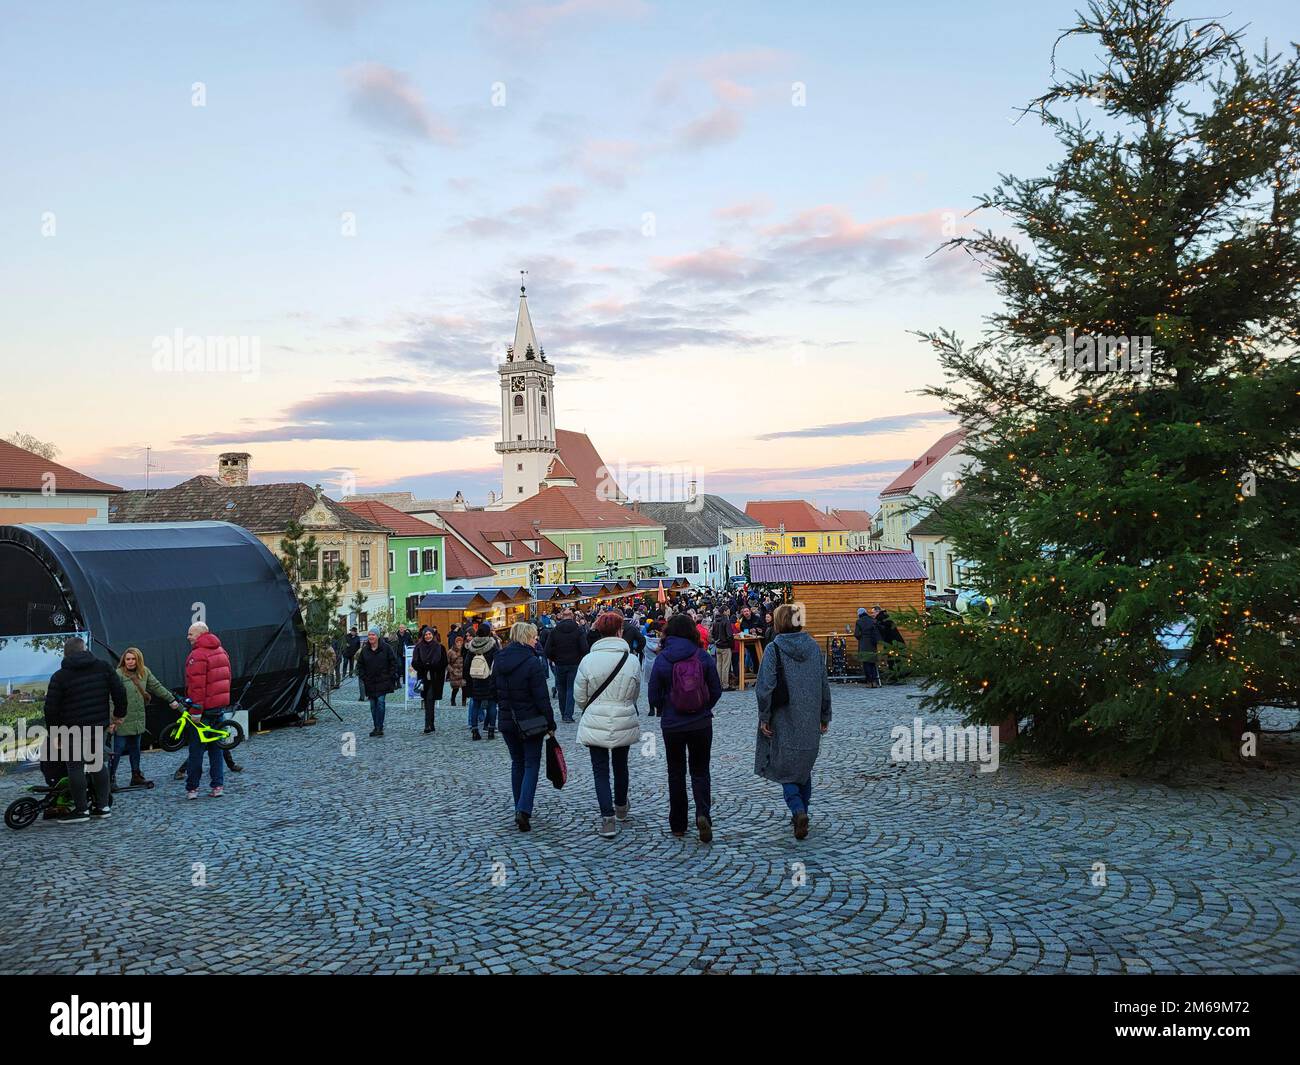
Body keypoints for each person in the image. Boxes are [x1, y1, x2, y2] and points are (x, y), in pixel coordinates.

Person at [755, 603, 832, 840]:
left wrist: (764, 717)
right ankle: (803, 812)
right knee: (803, 769)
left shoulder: (773, 649)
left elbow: (765, 687)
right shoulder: (813, 647)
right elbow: (823, 683)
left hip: (783, 718)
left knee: (787, 770)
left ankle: (798, 811)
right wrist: (824, 714)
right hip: (809, 718)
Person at [648, 613, 722, 841]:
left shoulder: (663, 658)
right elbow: (716, 689)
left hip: (673, 725)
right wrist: (703, 705)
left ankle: (678, 823)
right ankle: (703, 815)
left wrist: (666, 708)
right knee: (700, 771)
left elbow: (653, 694)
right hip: (700, 723)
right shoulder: (701, 656)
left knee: (675, 772)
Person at [43, 636, 127, 822]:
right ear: (85, 649)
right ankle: (103, 807)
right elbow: (120, 691)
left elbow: (51, 708)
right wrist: (119, 714)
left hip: (71, 729)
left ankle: (81, 810)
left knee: (75, 767)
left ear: (66, 654)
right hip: (98, 725)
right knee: (97, 764)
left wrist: (55, 733)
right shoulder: (104, 667)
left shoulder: (60, 676)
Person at [575, 612, 643, 838]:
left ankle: (607, 819)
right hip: (623, 714)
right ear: (619, 631)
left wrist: (590, 708)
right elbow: (635, 693)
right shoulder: (631, 660)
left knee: (600, 769)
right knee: (621, 765)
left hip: (596, 716)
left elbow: (580, 696)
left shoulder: (587, 660)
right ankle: (621, 806)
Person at [493, 621, 555, 832]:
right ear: (526, 638)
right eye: (534, 637)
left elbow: (496, 691)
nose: (536, 640)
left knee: (517, 763)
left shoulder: (499, 660)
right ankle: (524, 809)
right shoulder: (531, 662)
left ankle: (519, 806)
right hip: (530, 722)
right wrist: (550, 722)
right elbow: (541, 697)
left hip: (507, 720)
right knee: (531, 764)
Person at [114, 647, 179, 791]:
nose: (130, 662)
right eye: (128, 659)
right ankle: (110, 778)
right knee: (117, 750)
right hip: (122, 719)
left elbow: (157, 687)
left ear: (138, 660)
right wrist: (113, 718)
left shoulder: (145, 672)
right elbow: (111, 697)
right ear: (124, 660)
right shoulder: (117, 674)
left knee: (135, 749)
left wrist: (171, 699)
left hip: (138, 718)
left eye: (133, 659)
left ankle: (136, 775)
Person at [183, 623, 232, 798]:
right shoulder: (221, 651)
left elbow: (197, 687)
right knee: (216, 749)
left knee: (196, 751)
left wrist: (195, 711)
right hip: (219, 709)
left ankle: (192, 788)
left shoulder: (197, 655)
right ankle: (218, 786)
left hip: (202, 712)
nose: (188, 636)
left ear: (200, 634)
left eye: (190, 633)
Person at [355, 626, 400, 738]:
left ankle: (379, 727)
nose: (371, 637)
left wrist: (389, 675)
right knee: (372, 706)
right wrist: (363, 676)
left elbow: (393, 662)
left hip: (383, 681)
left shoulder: (386, 648)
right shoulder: (365, 650)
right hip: (370, 682)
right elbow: (360, 665)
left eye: (373, 634)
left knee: (380, 703)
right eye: (370, 635)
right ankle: (376, 726)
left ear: (378, 636)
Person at [546, 609, 586, 724]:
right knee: (571, 689)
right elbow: (584, 648)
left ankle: (563, 713)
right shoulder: (578, 630)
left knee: (561, 688)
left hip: (559, 663)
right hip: (574, 663)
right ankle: (568, 715)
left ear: (562, 616)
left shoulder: (554, 631)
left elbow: (547, 650)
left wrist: (555, 658)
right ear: (572, 616)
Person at [464, 623, 499, 740]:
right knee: (492, 704)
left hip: (475, 680)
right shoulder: (492, 644)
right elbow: (498, 662)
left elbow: (467, 664)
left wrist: (468, 680)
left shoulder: (472, 645)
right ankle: (491, 730)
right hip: (489, 679)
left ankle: (474, 730)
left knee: (475, 704)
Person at [411, 628, 447, 734]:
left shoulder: (440, 647)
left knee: (430, 699)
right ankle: (429, 723)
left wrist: (432, 666)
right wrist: (424, 666)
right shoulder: (418, 647)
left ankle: (429, 723)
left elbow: (444, 663)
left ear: (433, 635)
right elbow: (414, 662)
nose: (428, 636)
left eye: (429, 634)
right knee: (427, 700)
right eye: (426, 634)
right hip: (423, 677)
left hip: (435, 677)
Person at [854, 607, 881, 686]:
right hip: (872, 644)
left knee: (866, 663)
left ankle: (869, 682)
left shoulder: (859, 621)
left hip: (864, 644)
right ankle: (875, 681)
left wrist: (861, 637)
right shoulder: (872, 620)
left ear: (859, 614)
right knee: (872, 663)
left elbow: (857, 634)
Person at [711, 611, 735, 691]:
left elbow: (712, 634)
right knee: (725, 666)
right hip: (725, 646)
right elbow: (729, 635)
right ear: (724, 611)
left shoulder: (715, 622)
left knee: (719, 666)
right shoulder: (726, 621)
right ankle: (725, 685)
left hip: (718, 646)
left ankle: (719, 684)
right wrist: (731, 645)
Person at [447, 634, 467, 705]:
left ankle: (464, 702)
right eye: (457, 642)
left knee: (464, 688)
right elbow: (447, 663)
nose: (459, 643)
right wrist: (452, 671)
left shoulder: (464, 650)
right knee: (455, 689)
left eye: (460, 642)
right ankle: (453, 700)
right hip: (454, 673)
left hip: (463, 673)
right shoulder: (450, 651)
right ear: (455, 643)